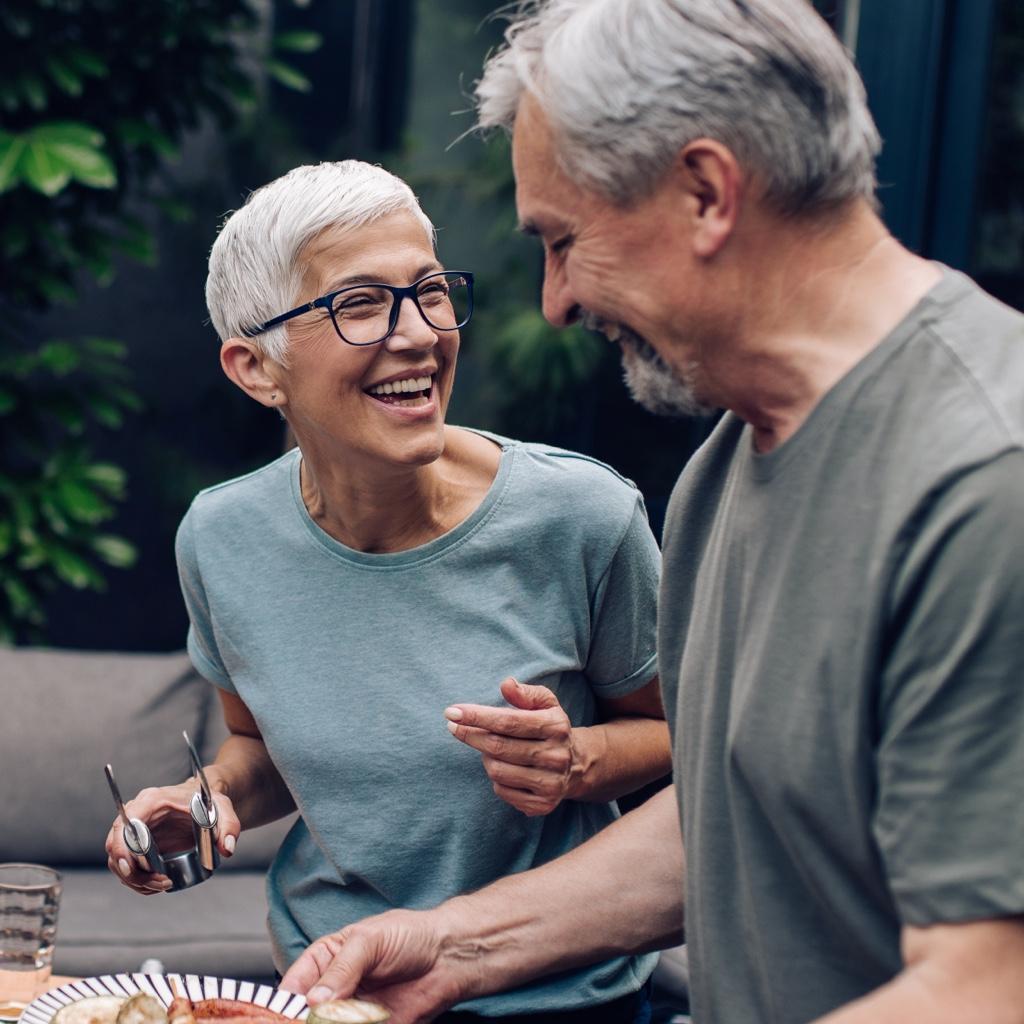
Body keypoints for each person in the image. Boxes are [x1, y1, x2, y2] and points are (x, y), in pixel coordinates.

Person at [279, 1, 1024, 1022]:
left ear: (706, 192)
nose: (553, 301)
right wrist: (456, 944)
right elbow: (731, 826)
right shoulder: (734, 453)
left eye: (562, 239)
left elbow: (989, 982)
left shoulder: (986, 481)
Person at [103, 159, 673, 1023]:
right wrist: (206, 800)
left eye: (431, 292)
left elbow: (688, 743)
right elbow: (264, 755)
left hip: (560, 1001)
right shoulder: (221, 539)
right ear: (258, 369)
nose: (418, 335)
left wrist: (579, 763)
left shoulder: (581, 515)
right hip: (328, 994)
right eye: (359, 303)